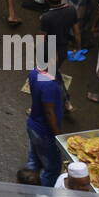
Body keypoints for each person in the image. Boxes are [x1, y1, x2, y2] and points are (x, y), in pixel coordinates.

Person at [26, 59, 65, 188]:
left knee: (35, 158)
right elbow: (49, 112)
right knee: (52, 169)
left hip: (33, 125)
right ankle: (42, 196)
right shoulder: (49, 85)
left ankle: (26, 185)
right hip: (45, 132)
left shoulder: (34, 72)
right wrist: (59, 138)